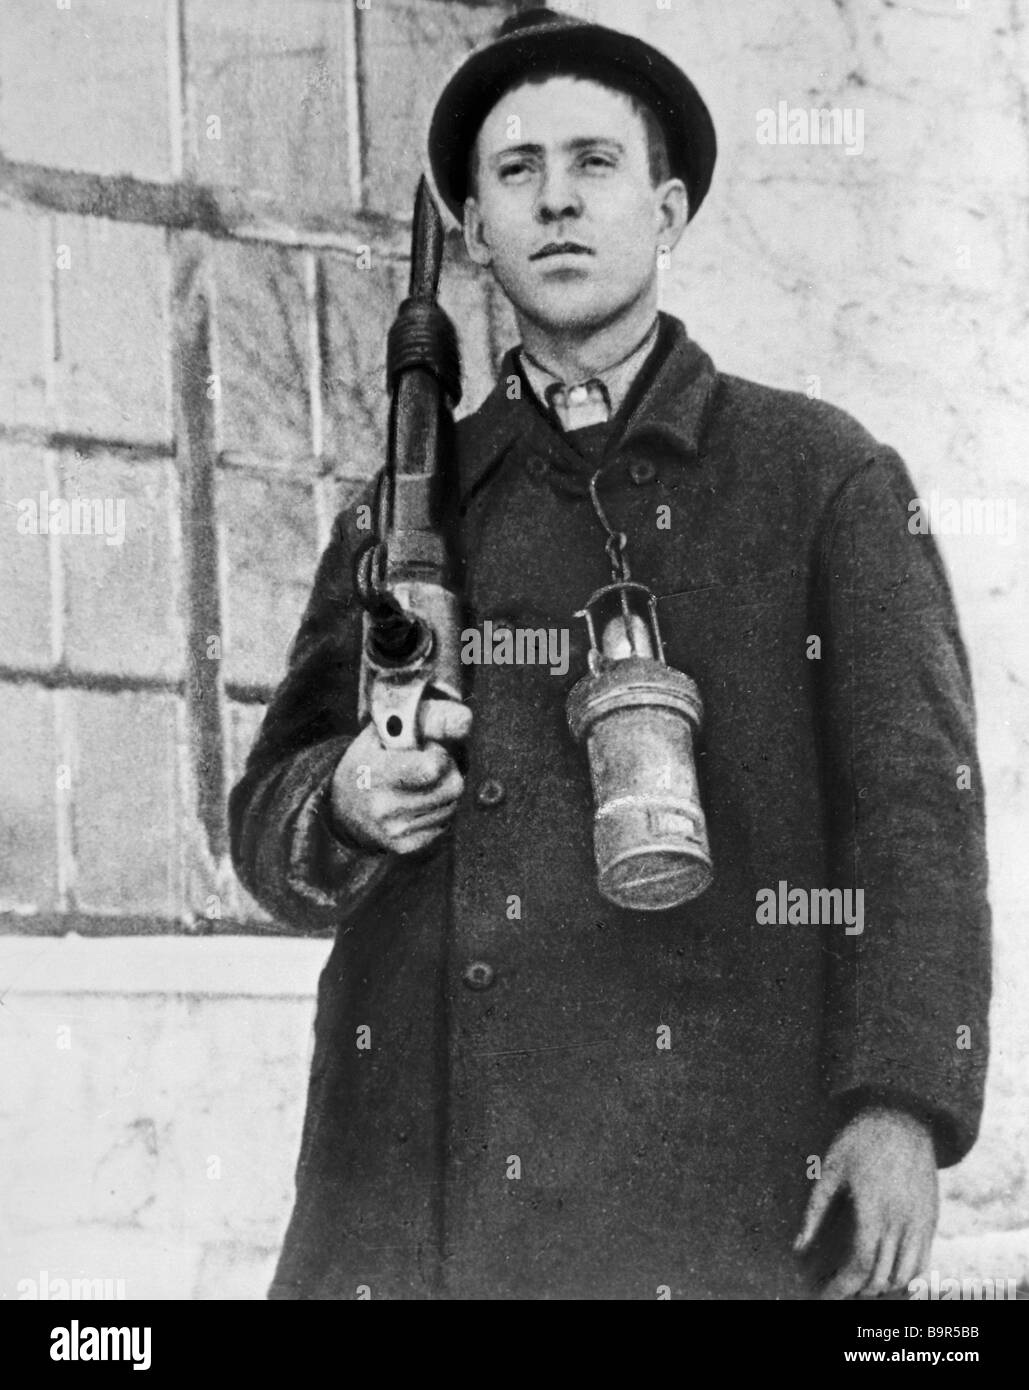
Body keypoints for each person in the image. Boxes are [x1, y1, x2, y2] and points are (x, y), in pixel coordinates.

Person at [229, 8, 991, 1300]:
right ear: (473, 226)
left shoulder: (823, 478)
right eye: (515, 173)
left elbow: (912, 814)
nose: (557, 202)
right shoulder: (400, 509)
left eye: (594, 163)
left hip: (709, 1183)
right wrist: (347, 800)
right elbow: (266, 822)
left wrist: (898, 1105)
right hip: (419, 1197)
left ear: (669, 207)